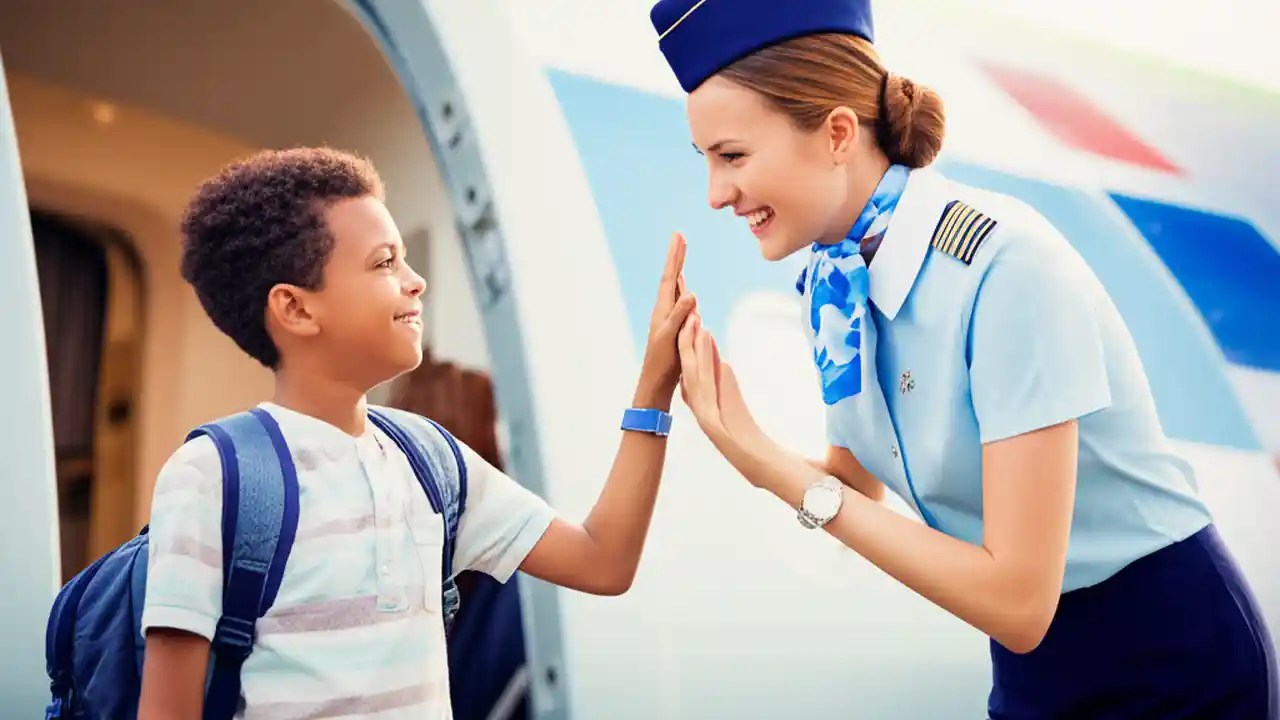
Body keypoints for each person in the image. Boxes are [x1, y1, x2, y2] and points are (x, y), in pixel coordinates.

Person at [647, 1, 1278, 717]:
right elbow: (854, 486)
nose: (715, 194)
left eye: (733, 156)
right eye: (706, 161)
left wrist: (773, 468)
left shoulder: (1005, 270)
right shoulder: (833, 289)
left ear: (837, 134)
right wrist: (735, 434)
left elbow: (1016, 599)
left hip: (1171, 656)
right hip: (1032, 671)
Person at [137, 147, 695, 718]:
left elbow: (603, 562)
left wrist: (653, 388)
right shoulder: (210, 476)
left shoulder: (431, 459)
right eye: (384, 263)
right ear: (296, 309)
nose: (416, 281)